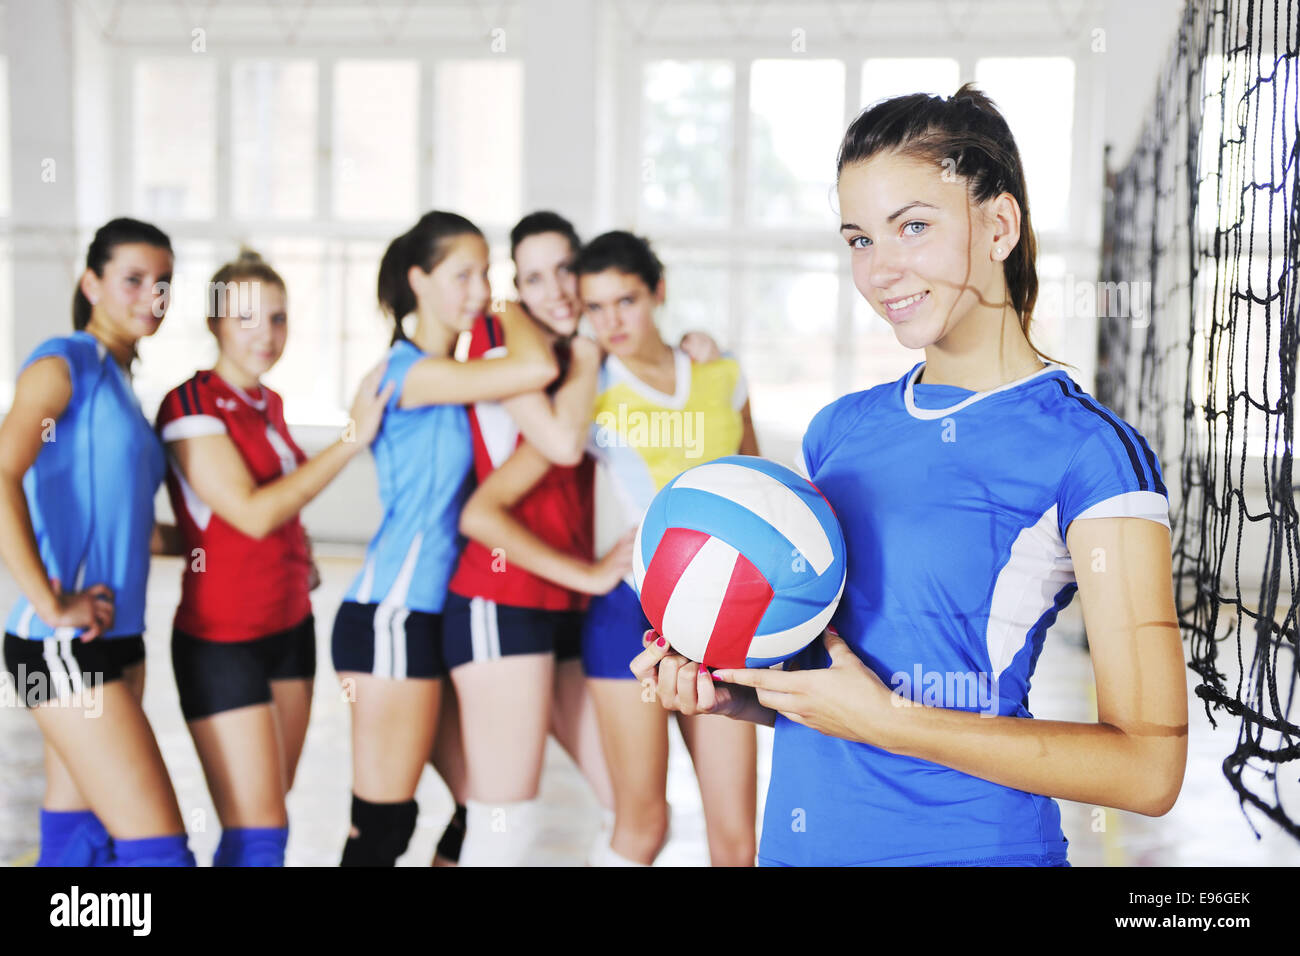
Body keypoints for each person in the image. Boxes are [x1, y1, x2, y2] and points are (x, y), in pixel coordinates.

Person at [634, 84, 1188, 866]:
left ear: (999, 225)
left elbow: (1149, 768)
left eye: (914, 227)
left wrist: (886, 718)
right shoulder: (840, 432)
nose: (880, 270)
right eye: (859, 239)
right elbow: (839, 689)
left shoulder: (1088, 452)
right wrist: (736, 693)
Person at [330, 210, 563, 867]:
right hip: (390, 617)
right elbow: (538, 364)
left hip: (434, 618)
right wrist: (514, 304)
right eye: (463, 274)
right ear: (419, 280)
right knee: (382, 828)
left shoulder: (450, 370)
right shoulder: (409, 374)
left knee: (479, 813)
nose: (478, 290)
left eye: (485, 275)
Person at [155, 249, 391, 866]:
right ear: (214, 323)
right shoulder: (190, 406)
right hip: (221, 638)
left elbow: (272, 517)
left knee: (265, 812)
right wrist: (351, 438)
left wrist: (298, 551)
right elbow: (252, 512)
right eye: (248, 317)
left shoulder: (272, 403)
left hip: (289, 626)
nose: (266, 334)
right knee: (259, 831)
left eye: (279, 319)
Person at [0, 217, 196, 866]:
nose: (152, 297)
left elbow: (131, 524)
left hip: (116, 637)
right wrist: (52, 604)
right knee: (159, 854)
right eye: (134, 279)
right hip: (59, 644)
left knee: (81, 840)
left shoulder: (123, 389)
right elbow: (1, 472)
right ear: (91, 283)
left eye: (164, 283)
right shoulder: (65, 363)